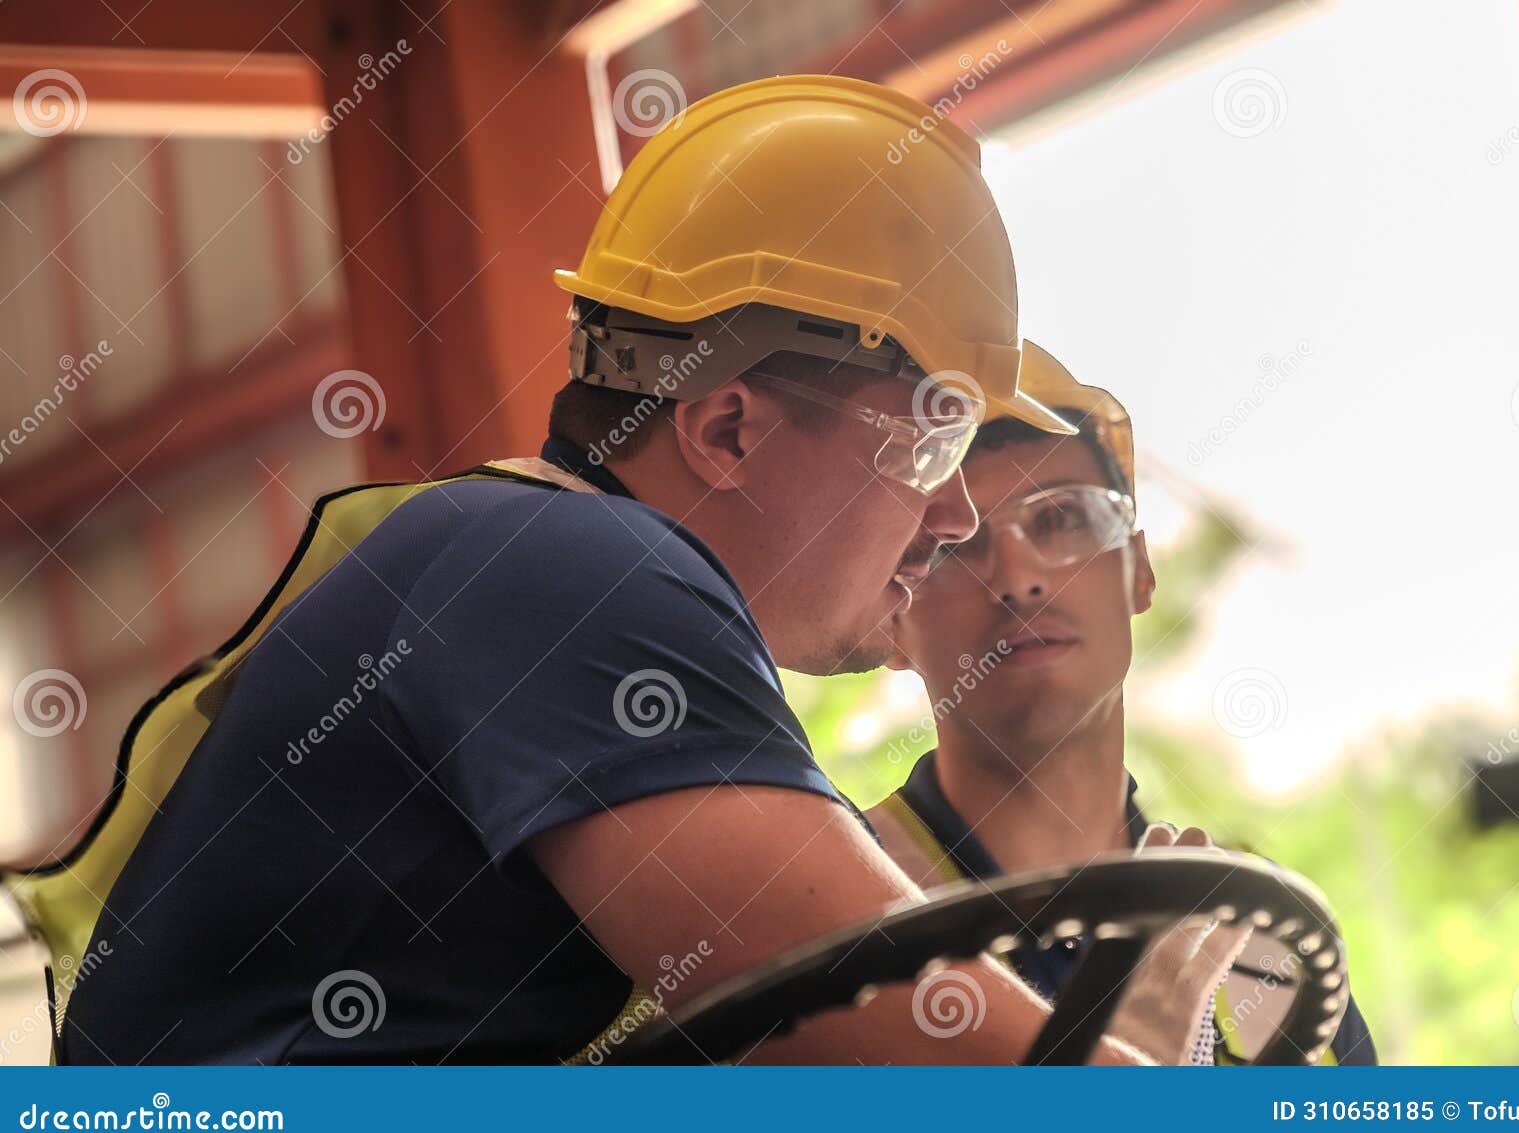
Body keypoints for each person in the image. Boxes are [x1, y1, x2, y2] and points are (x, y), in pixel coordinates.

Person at [4, 77, 1244, 1066]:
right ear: (728, 429)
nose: (952, 513)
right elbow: (959, 1082)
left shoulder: (523, 560)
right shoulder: (576, 577)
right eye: (930, 441)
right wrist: (1137, 1049)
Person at [868, 340, 1379, 1063]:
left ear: (1139, 573)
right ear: (890, 620)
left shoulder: (1265, 943)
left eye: (1063, 519)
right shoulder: (811, 917)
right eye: (956, 545)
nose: (1018, 578)